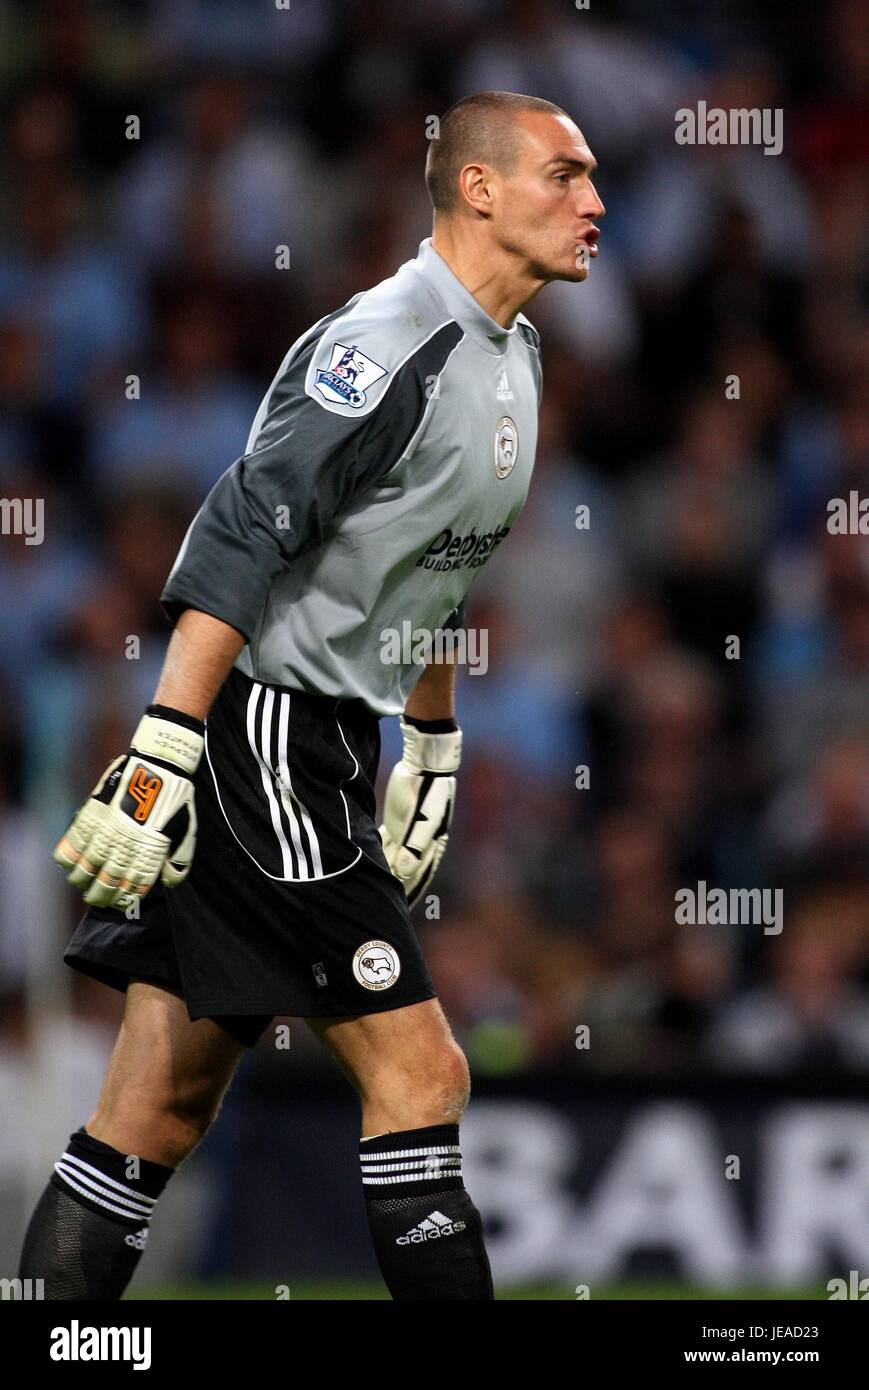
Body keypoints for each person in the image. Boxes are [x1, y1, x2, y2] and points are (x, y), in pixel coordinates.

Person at [19, 90, 604, 1301]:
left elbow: (434, 568)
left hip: (320, 735)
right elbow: (241, 527)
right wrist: (163, 744)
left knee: (154, 1109)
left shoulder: (517, 354)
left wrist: (431, 740)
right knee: (424, 1075)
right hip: (267, 739)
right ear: (479, 190)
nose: (595, 202)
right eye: (565, 174)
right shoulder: (384, 344)